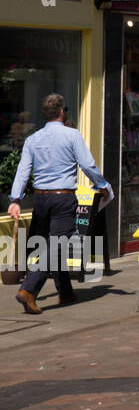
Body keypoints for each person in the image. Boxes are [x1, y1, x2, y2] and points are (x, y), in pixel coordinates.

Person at [7, 93, 113, 315]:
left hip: (41, 198)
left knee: (50, 242)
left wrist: (15, 199)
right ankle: (28, 289)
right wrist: (102, 186)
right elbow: (88, 164)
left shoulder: (32, 139)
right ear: (63, 112)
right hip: (63, 197)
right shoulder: (72, 135)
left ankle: (65, 290)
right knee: (57, 245)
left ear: (45, 114)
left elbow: (23, 171)